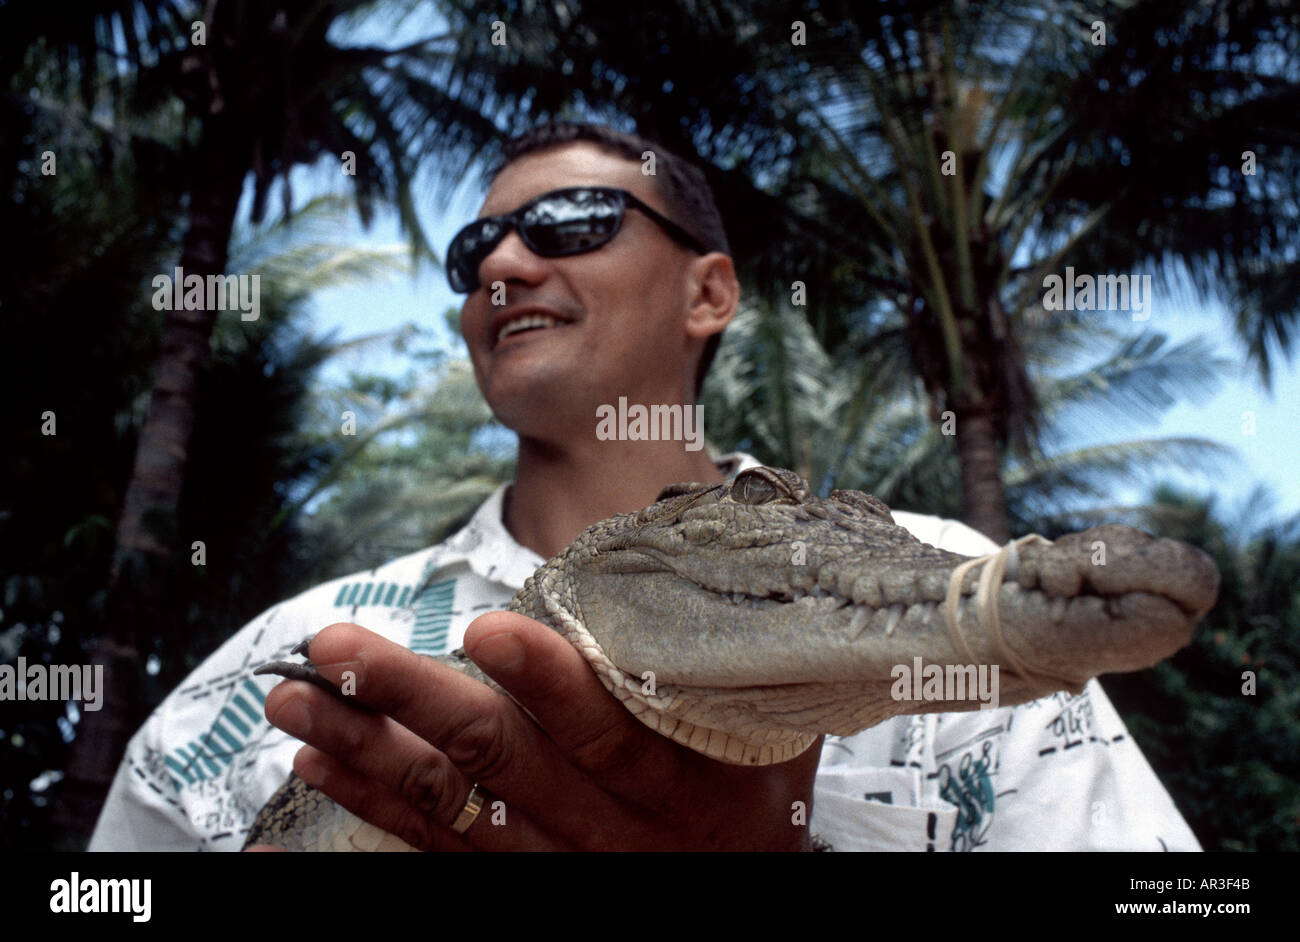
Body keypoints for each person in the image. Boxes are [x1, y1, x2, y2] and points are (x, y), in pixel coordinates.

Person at [89, 121, 1200, 851]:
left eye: (567, 223)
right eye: (473, 246)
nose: (501, 264)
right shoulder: (279, 650)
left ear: (710, 292)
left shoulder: (940, 570)